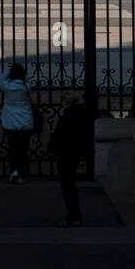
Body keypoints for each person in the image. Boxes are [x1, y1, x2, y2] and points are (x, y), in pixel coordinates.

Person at [49, 96, 87, 228]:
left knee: (67, 186)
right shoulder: (81, 113)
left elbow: (60, 135)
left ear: (66, 102)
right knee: (70, 185)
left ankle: (73, 216)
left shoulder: (67, 116)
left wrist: (52, 147)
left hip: (65, 154)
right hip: (74, 153)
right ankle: (74, 216)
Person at [0, 63, 35, 183]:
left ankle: (14, 171)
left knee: (12, 149)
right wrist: (23, 75)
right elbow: (27, 81)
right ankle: (21, 173)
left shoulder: (7, 86)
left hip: (10, 122)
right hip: (25, 122)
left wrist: (10, 72)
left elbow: (1, 78)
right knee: (23, 149)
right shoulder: (26, 87)